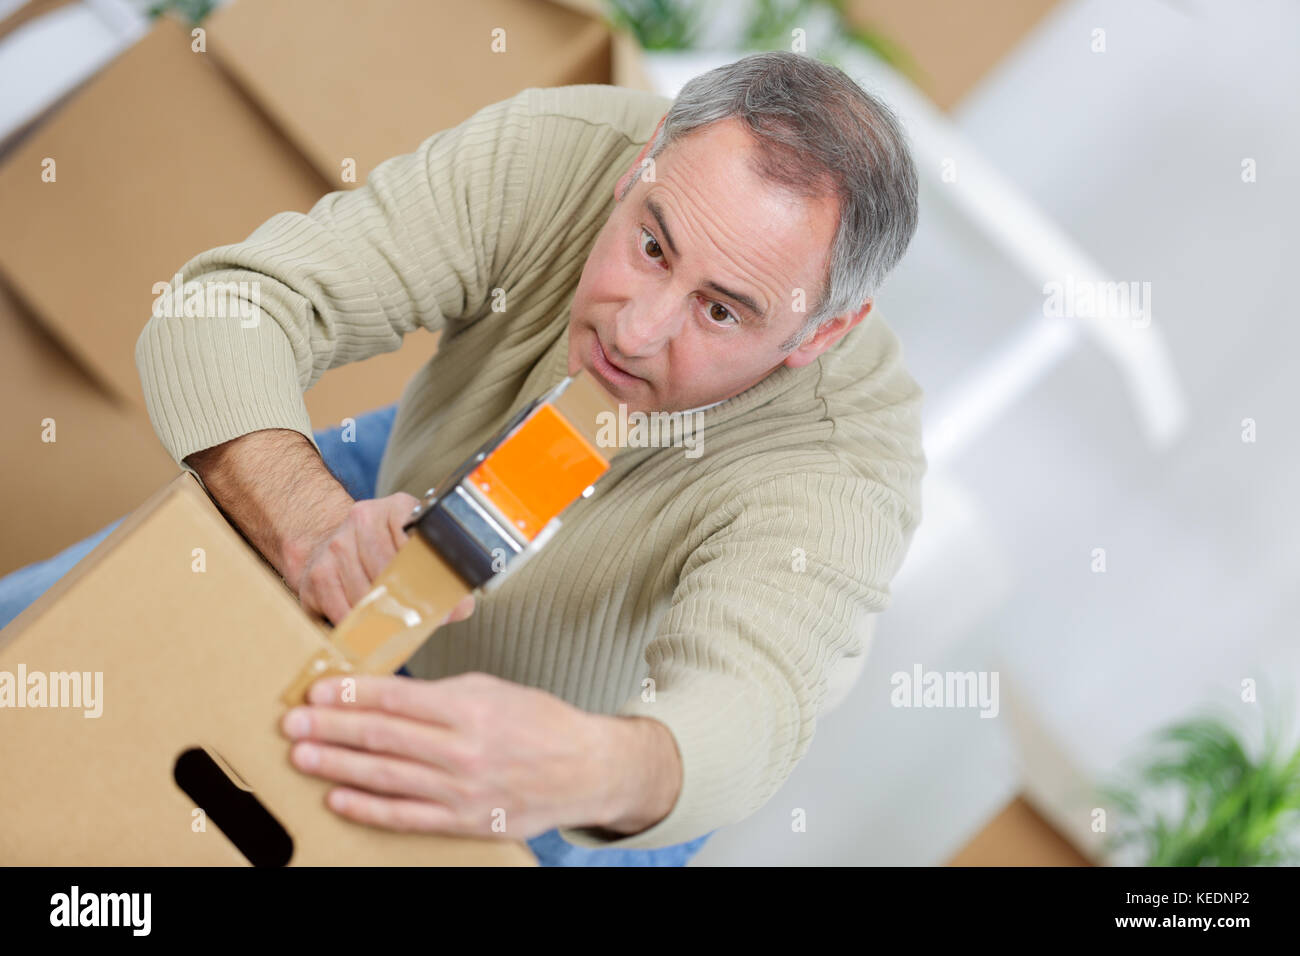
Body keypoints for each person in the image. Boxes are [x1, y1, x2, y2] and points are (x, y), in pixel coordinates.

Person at [0, 51, 926, 866]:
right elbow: (226, 308)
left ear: (824, 332)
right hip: (386, 503)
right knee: (47, 646)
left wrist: (593, 766)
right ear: (639, 165)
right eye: (651, 246)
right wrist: (314, 527)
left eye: (721, 311)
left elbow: (751, 714)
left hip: (573, 753)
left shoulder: (845, 464)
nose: (637, 333)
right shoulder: (565, 148)